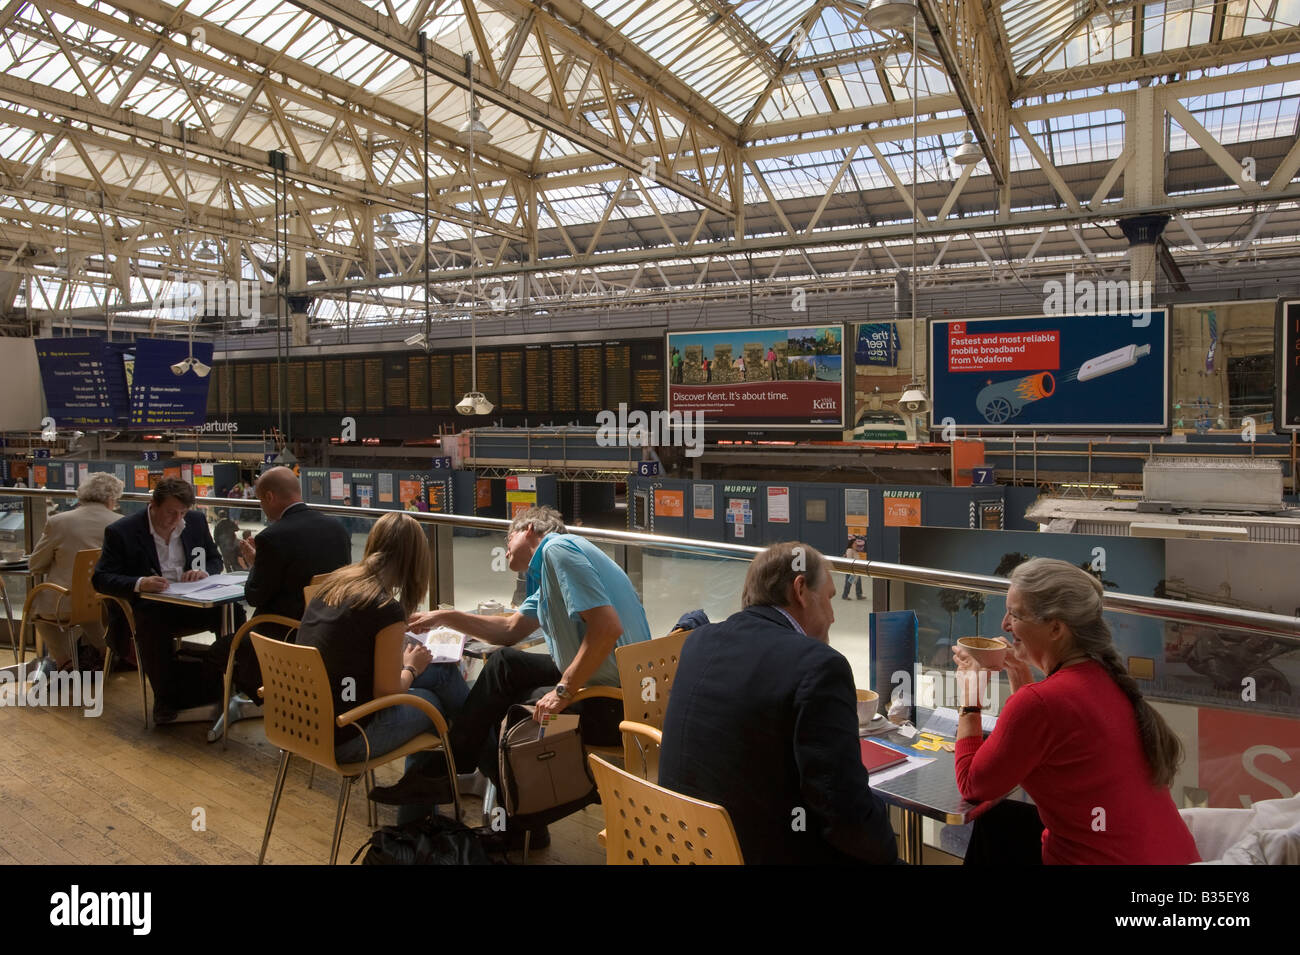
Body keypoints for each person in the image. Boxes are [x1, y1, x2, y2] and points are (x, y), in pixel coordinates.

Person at [402, 504, 651, 843]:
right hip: (621, 687)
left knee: (509, 710)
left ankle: (518, 825)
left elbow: (606, 629)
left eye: (509, 537)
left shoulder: (557, 550)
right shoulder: (555, 565)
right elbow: (509, 629)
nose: (504, 549)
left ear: (531, 530)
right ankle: (456, 769)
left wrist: (561, 691)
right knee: (504, 664)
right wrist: (446, 617)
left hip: (613, 707)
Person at [657, 542, 897, 865]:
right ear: (800, 590)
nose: (833, 616)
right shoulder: (820, 666)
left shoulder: (697, 642)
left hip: (682, 847)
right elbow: (846, 817)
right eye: (828, 598)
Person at [952, 558, 1199, 865]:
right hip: (1173, 857)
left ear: (1056, 628)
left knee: (994, 827)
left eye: (1015, 614)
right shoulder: (1109, 678)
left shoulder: (1041, 703)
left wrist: (970, 699)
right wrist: (1021, 680)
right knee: (998, 823)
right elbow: (1048, 735)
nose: (1004, 624)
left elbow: (973, 785)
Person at [296, 513, 468, 824]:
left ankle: (469, 749)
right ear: (414, 559)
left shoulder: (333, 585)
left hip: (306, 723)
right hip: (348, 736)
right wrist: (411, 668)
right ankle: (421, 816)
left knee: (440, 677)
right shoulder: (383, 607)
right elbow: (387, 690)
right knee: (433, 705)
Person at [92, 478, 241, 723]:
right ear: (153, 505)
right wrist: (140, 583)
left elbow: (214, 559)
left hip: (191, 599)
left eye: (183, 512)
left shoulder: (194, 522)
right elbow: (101, 578)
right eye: (171, 512)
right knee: (152, 625)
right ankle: (166, 698)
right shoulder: (123, 531)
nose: (177, 519)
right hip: (149, 605)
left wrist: (204, 572)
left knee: (233, 612)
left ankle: (227, 681)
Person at [27, 471, 124, 674]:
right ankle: (103, 652)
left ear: (81, 494)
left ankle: (63, 661)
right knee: (89, 611)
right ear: (112, 498)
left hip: (65, 602)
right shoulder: (121, 523)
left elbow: (35, 564)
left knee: (36, 609)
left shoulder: (59, 522)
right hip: (109, 602)